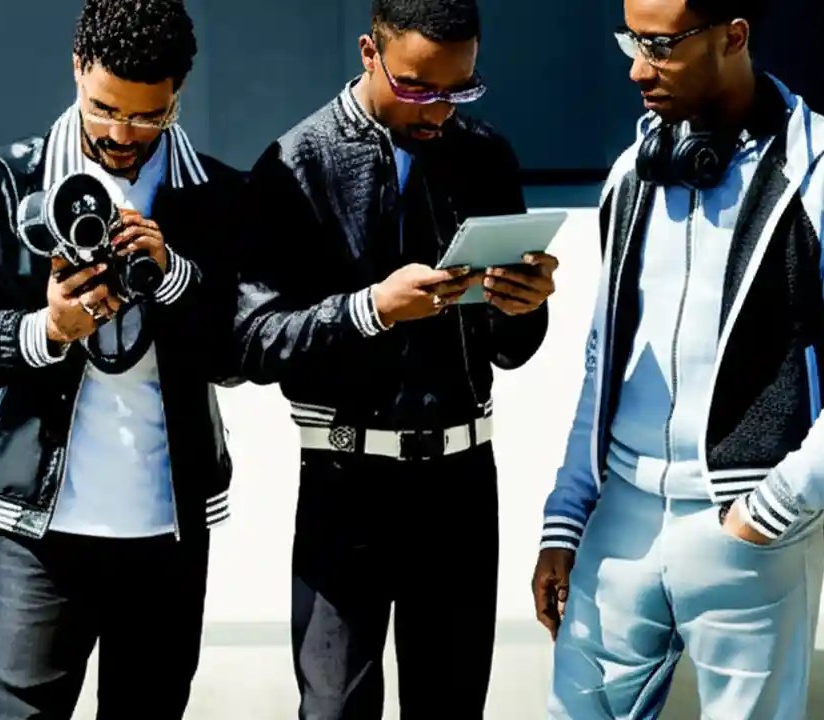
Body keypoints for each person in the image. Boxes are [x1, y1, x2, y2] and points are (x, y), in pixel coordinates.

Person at [533, 1, 824, 718]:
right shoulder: (631, 174)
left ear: (732, 36)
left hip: (749, 525)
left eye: (659, 45)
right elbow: (606, 360)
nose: (634, 66)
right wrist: (567, 518)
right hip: (620, 517)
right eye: (629, 39)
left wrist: (771, 511)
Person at [0, 1, 243, 717]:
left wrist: (176, 276)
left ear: (180, 87)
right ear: (77, 68)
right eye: (105, 108)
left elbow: (248, 349)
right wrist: (45, 330)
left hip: (169, 530)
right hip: (40, 534)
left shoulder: (219, 198)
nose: (124, 135)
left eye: (151, 116)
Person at [231, 0, 557, 716]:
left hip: (463, 484)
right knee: (335, 709)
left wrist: (523, 305)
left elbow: (513, 350)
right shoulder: (297, 162)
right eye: (417, 86)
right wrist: (371, 309)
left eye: (457, 88)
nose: (437, 109)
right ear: (368, 52)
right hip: (345, 482)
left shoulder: (484, 155)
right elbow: (251, 339)